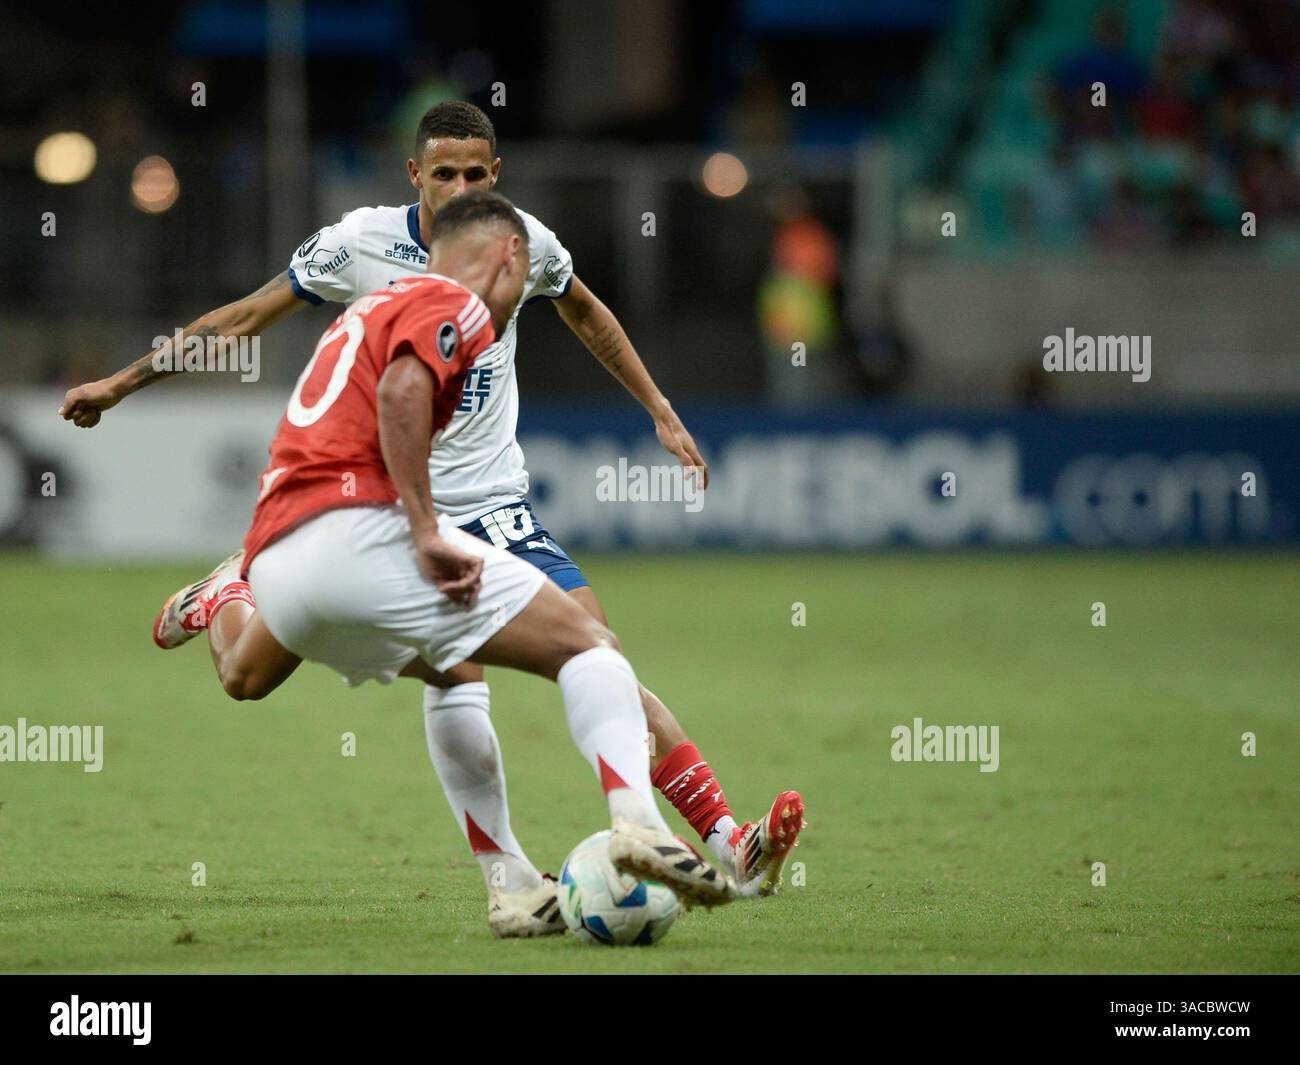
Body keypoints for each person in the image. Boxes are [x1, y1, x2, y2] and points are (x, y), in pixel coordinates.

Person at [59, 100, 803, 902]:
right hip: (378, 512)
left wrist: (656, 406)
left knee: (595, 651)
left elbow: (584, 308)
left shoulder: (524, 242)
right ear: (414, 174)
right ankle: (228, 592)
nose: (456, 188)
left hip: (491, 505)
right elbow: (243, 316)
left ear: (496, 176)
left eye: (473, 174)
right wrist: (124, 382)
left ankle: (726, 840)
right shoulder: (360, 243)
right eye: (440, 173)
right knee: (247, 678)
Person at [163, 191, 736, 932]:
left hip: (277, 551)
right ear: (510, 257)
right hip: (359, 536)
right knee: (589, 648)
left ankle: (513, 885)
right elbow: (404, 392)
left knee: (297, 672)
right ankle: (638, 824)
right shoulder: (454, 303)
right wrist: (426, 527)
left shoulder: (374, 303)